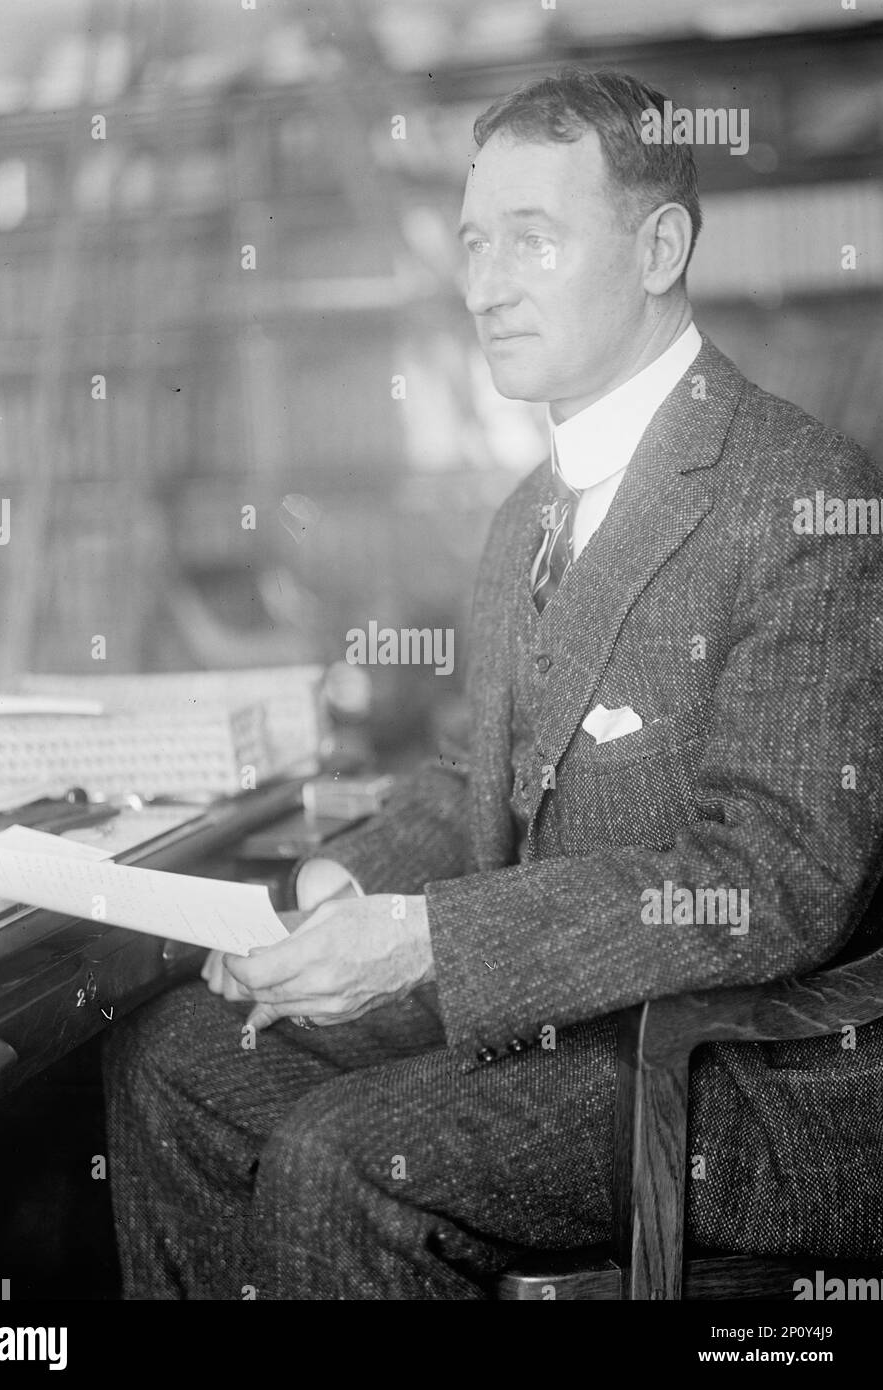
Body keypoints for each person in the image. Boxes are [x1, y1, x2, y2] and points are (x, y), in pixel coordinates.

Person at [103, 67, 883, 1300]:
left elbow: (774, 884)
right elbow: (482, 769)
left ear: (658, 245)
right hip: (557, 1017)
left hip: (732, 1068)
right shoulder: (528, 511)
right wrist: (339, 886)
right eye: (473, 241)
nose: (483, 285)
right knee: (178, 1060)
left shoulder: (802, 499)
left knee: (341, 1159)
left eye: (532, 238)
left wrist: (423, 941)